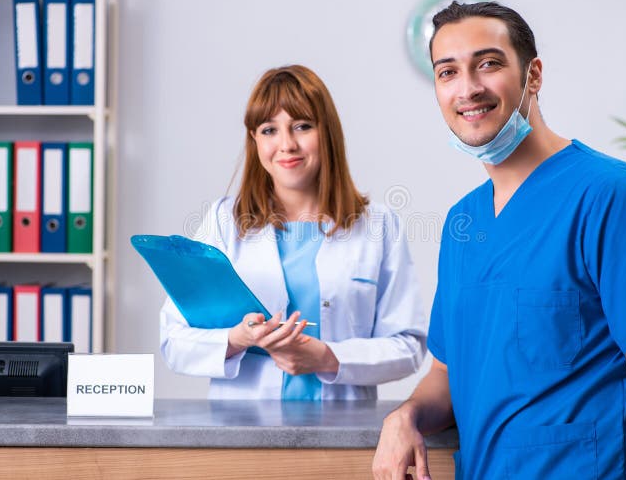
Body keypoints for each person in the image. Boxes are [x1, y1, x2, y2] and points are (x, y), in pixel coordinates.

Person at [373, 2, 626, 479]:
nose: (468, 88)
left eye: (488, 63)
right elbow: (449, 374)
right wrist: (404, 417)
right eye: (448, 72)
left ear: (533, 76)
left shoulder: (609, 197)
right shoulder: (462, 222)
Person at [160, 64, 428, 400]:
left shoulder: (377, 224)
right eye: (269, 130)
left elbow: (408, 347)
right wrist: (237, 338)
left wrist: (329, 358)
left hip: (340, 435)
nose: (286, 144)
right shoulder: (223, 220)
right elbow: (174, 340)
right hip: (243, 433)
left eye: (302, 126)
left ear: (326, 132)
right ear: (254, 140)